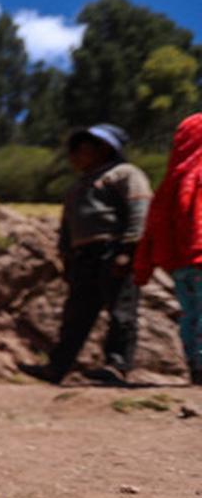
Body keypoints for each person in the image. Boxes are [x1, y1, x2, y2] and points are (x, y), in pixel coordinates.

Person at [20, 124, 152, 385]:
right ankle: (57, 367)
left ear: (104, 149)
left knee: (121, 312)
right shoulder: (77, 187)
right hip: (83, 257)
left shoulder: (125, 174)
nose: (74, 157)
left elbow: (140, 211)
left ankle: (116, 365)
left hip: (114, 251)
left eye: (80, 150)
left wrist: (128, 249)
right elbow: (67, 226)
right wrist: (66, 255)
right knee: (76, 314)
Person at [133, 114, 202, 384]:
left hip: (179, 265)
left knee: (191, 314)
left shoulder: (171, 181)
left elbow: (152, 226)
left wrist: (142, 268)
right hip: (199, 258)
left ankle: (196, 367)